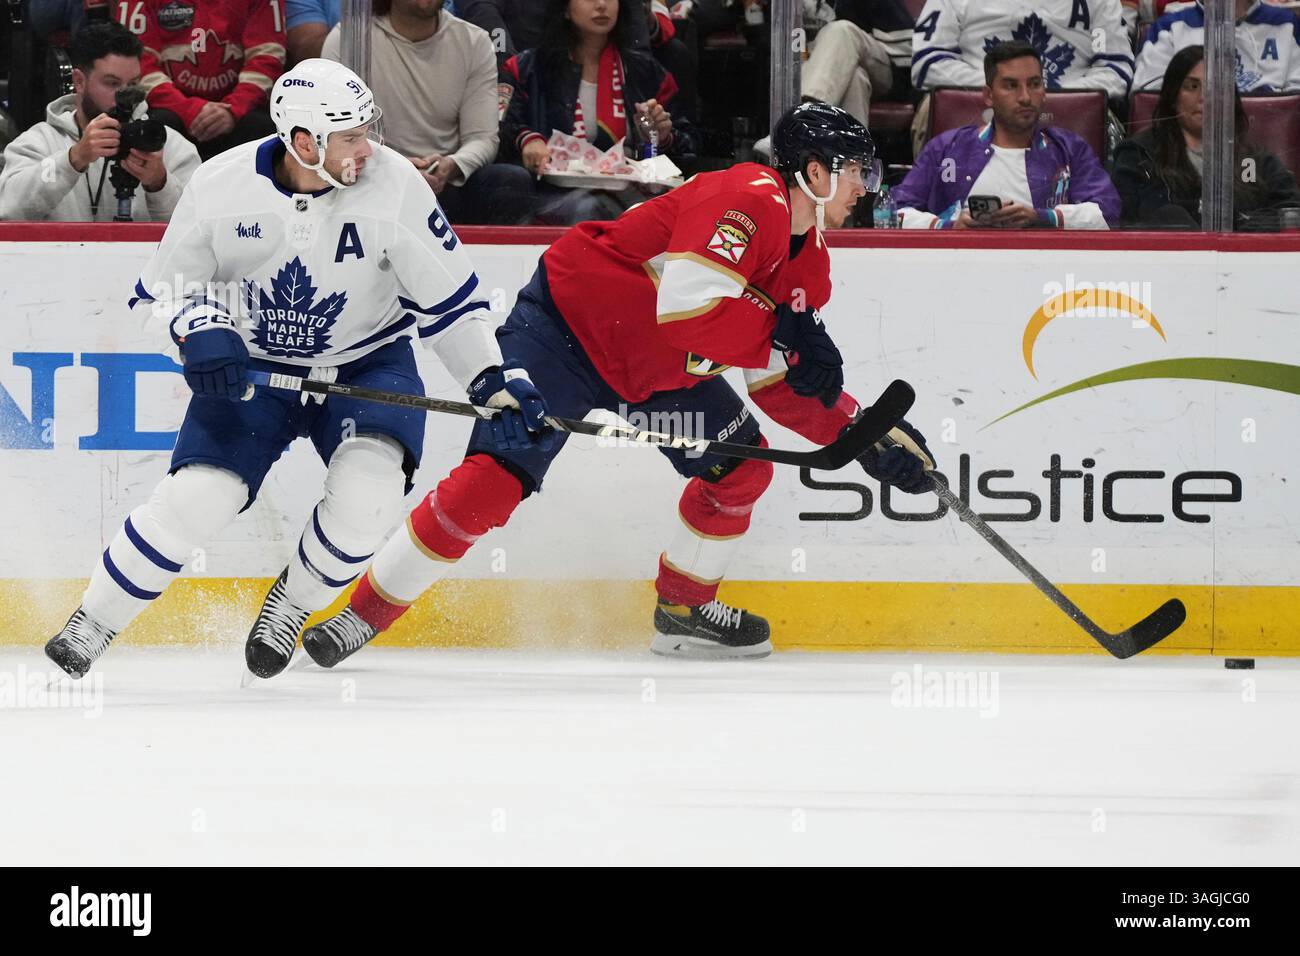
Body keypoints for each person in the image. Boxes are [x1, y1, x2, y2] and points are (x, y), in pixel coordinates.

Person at [296, 102, 938, 668]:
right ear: (815, 172)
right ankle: (361, 616)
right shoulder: (748, 194)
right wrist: (783, 332)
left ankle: (684, 614)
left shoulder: (812, 259)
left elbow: (775, 384)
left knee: (740, 472)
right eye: (857, 169)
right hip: (564, 335)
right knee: (493, 482)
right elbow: (689, 310)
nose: (865, 186)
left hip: (657, 381)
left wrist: (859, 434)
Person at [43, 59, 549, 681]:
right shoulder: (222, 185)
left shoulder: (395, 187)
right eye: (350, 136)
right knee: (200, 497)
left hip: (367, 364)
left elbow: (453, 306)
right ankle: (94, 620)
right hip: (254, 369)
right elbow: (161, 293)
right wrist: (198, 327)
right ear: (303, 141)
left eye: (368, 130)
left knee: (369, 500)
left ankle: (293, 603)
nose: (369, 149)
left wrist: (491, 379)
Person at [321, 0, 527, 224]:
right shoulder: (348, 39)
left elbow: (483, 137)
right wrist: (395, 169)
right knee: (344, 178)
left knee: (511, 181)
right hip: (375, 176)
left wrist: (453, 165)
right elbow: (334, 136)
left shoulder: (473, 41)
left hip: (445, 180)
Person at [496, 0, 696, 224]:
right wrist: (527, 140)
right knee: (590, 209)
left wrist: (662, 137)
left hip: (631, 191)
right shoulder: (527, 69)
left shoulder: (646, 72)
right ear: (564, 9)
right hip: (551, 192)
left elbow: (688, 148)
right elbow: (501, 128)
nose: (601, 5)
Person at [893, 42, 1120, 229]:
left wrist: (1043, 218)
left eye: (1034, 84)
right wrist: (948, 226)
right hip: (959, 267)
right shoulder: (946, 147)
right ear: (989, 95)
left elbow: (1108, 212)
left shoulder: (1070, 148)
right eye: (1011, 85)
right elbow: (893, 213)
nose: (1025, 97)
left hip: (1045, 267)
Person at [0, 21, 200, 221]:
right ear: (79, 81)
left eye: (132, 84)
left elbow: (197, 226)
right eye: (112, 83)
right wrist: (73, 159)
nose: (125, 95)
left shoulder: (166, 144)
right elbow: (7, 209)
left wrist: (159, 184)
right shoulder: (40, 142)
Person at [1113, 44, 1300, 228]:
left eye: (1215, 87)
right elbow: (1130, 221)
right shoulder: (1139, 154)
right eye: (1192, 86)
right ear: (1173, 96)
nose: (1203, 97)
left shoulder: (1254, 158)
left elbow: (1290, 211)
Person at [910, 0, 1133, 154]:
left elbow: (1114, 68)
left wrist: (1058, 97)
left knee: (1107, 119)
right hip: (979, 98)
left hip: (1071, 105)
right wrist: (999, 89)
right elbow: (928, 62)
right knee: (932, 107)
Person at [117, 0, 287, 160]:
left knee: (263, 127)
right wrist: (187, 109)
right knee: (154, 125)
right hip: (170, 110)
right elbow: (137, 63)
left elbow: (267, 56)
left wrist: (233, 108)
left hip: (236, 111)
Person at [1133, 0, 1300, 93]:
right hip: (1190, 146)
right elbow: (1148, 99)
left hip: (1268, 143)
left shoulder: (1288, 25)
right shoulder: (1171, 28)